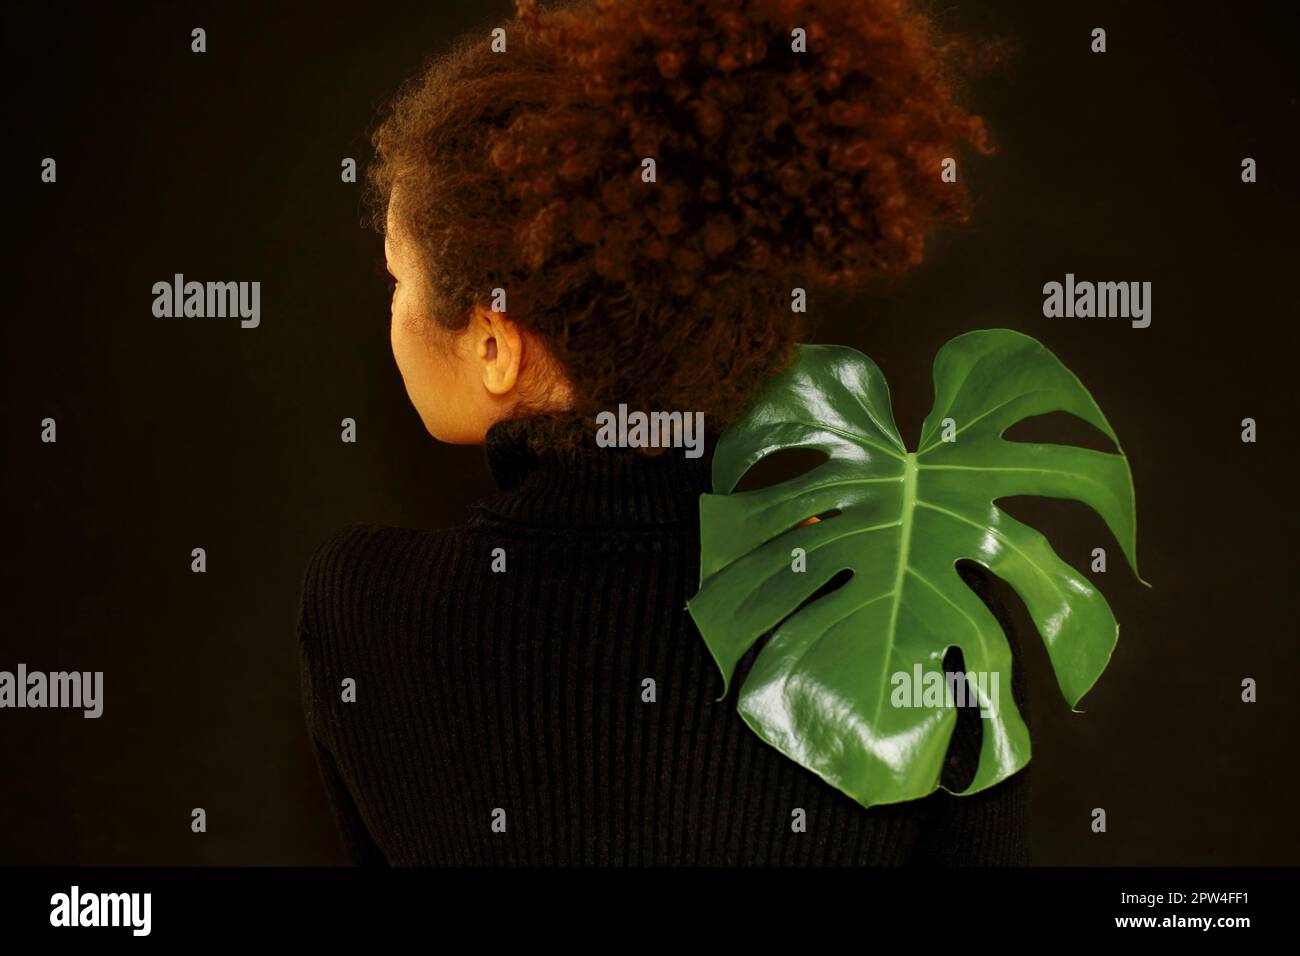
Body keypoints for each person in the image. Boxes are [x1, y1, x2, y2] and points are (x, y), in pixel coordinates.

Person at [297, 0, 1030, 865]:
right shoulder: (918, 615)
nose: (390, 314)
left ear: (494, 344)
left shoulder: (365, 605)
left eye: (397, 278)